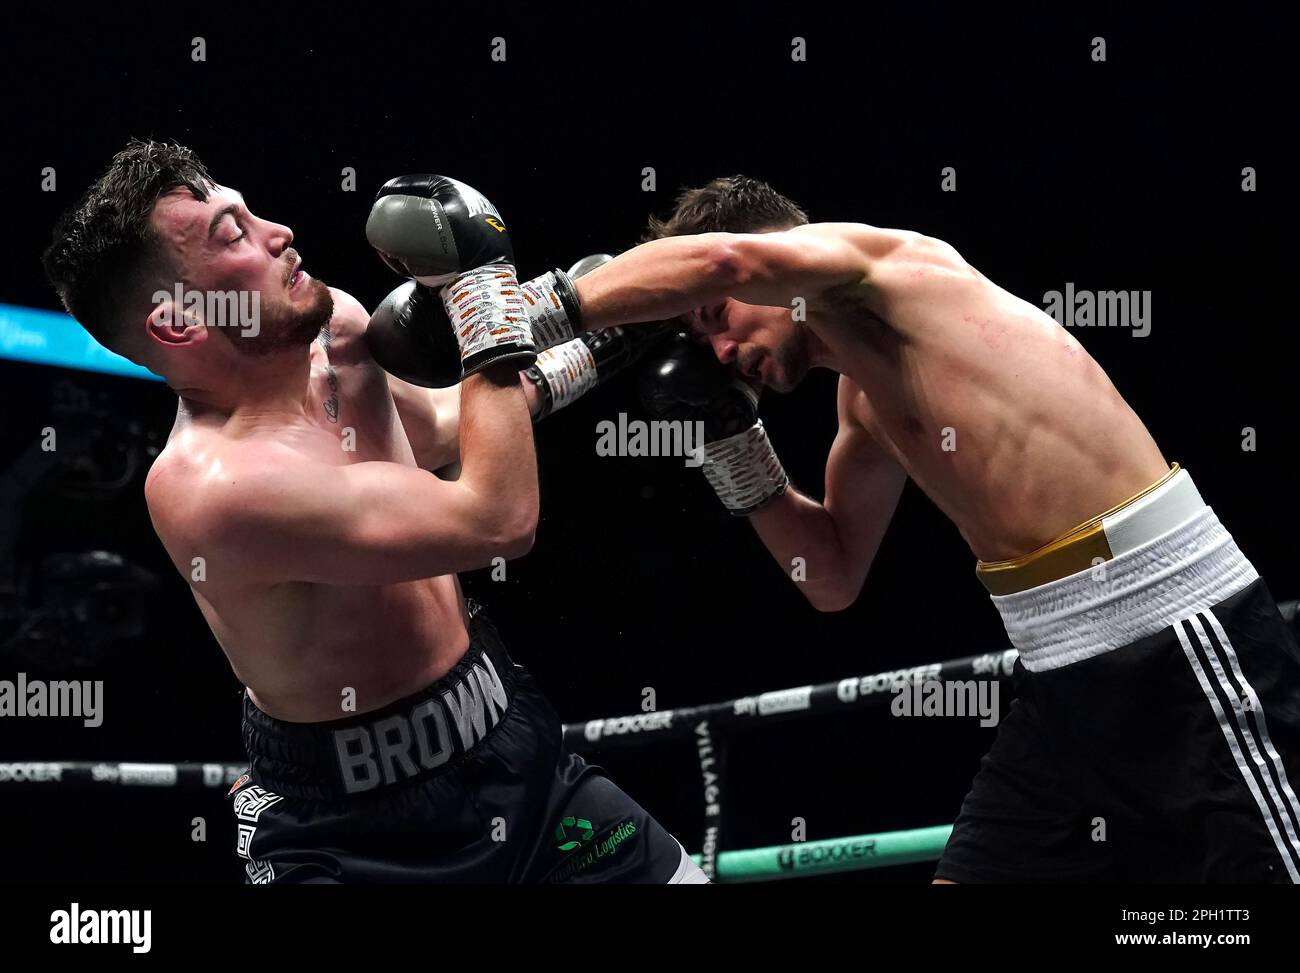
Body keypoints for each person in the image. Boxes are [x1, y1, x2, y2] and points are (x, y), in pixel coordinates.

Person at [559, 174, 1300, 883]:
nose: (721, 354)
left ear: (776, 254)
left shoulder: (893, 269)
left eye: (717, 315)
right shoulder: (861, 404)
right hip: (1058, 676)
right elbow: (831, 576)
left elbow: (722, 257)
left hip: (1173, 630)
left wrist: (536, 312)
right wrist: (732, 444)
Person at [40, 140, 705, 884]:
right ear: (177, 323)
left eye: (250, 209)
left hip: (512, 748)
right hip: (357, 842)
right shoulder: (214, 488)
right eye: (233, 235)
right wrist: (482, 285)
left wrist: (603, 342)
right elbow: (497, 519)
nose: (278, 231)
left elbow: (451, 426)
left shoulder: (341, 333)